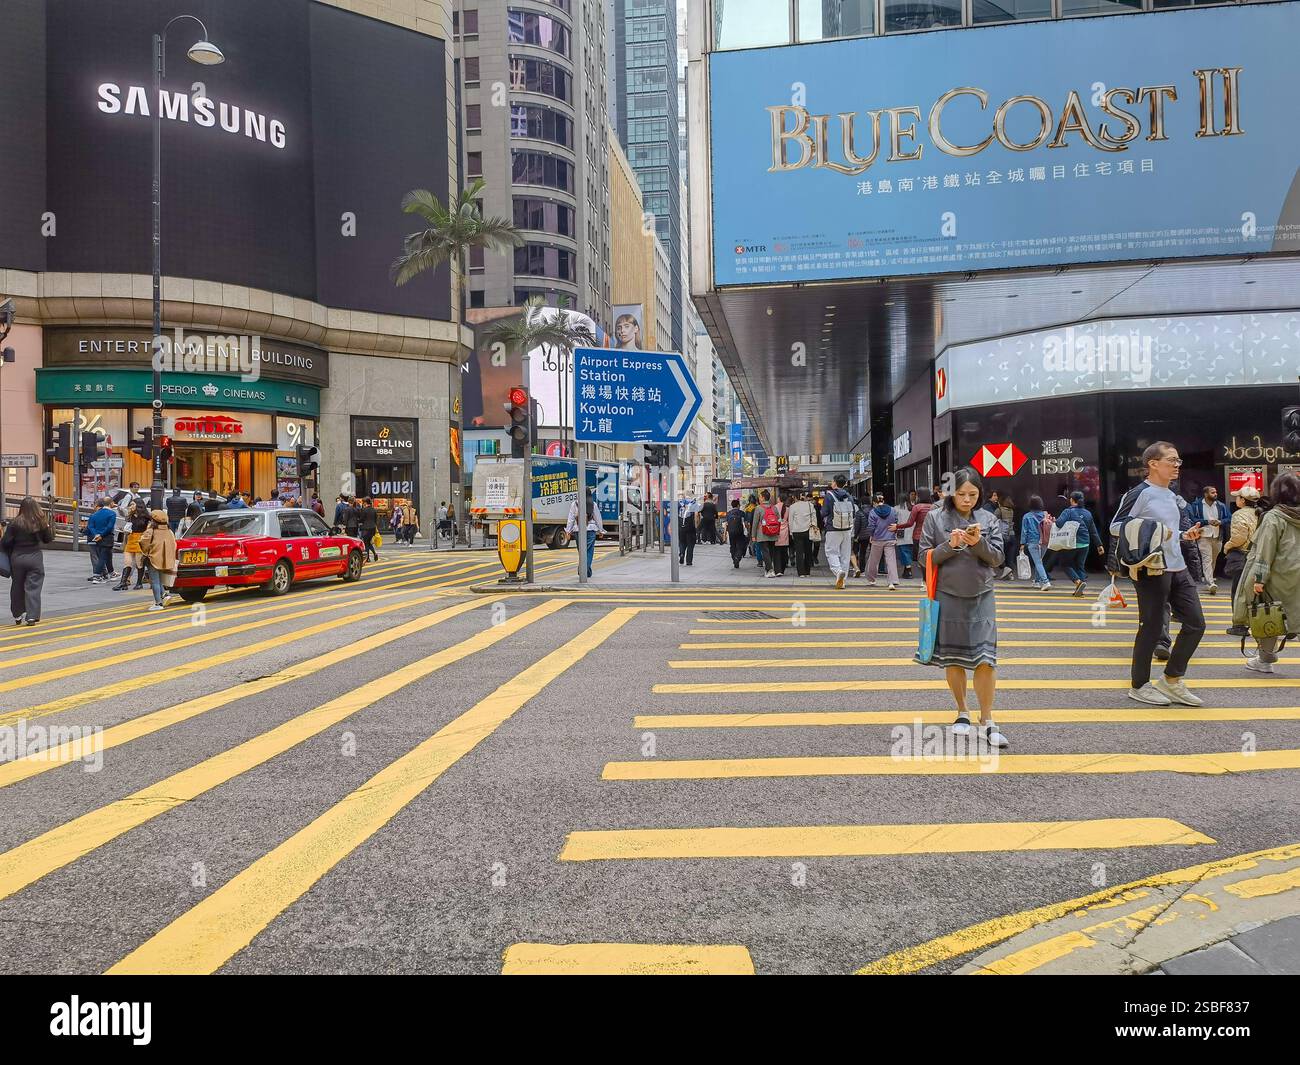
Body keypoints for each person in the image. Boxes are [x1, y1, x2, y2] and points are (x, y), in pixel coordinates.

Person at [1108, 441, 1206, 707]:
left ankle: (1171, 680)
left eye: (1178, 461)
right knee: (1151, 627)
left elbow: (1170, 531)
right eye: (1171, 460)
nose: (1177, 465)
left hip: (1177, 567)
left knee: (1196, 623)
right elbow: (1116, 526)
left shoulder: (1171, 494)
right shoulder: (1140, 493)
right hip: (1151, 567)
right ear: (1153, 464)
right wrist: (1154, 530)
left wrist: (1184, 535)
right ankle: (1139, 685)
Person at [915, 468, 1008, 749]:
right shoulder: (935, 517)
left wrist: (978, 543)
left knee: (985, 659)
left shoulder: (988, 519)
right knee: (953, 659)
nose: (967, 499)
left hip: (982, 595)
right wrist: (950, 545)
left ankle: (987, 719)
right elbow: (923, 557)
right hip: (948, 594)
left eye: (973, 494)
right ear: (950, 493)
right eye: (961, 494)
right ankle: (962, 711)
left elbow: (997, 558)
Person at [1233, 473, 1300, 674]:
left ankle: (1265, 659)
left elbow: (1264, 551)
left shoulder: (1274, 517)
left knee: (1270, 613)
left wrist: (1259, 579)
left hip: (1279, 575)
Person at [3, 497, 53, 626]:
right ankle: (31, 616)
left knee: (17, 586)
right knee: (33, 587)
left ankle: (17, 615)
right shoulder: (41, 522)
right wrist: (47, 527)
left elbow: (5, 542)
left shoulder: (14, 523)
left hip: (17, 558)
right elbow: (48, 539)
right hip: (35, 557)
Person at [1224, 485, 1262, 637]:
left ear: (1243, 500)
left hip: (1244, 556)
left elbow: (1239, 538)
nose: (1236, 499)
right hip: (1260, 556)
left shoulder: (1239, 515)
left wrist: (1227, 546)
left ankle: (1239, 625)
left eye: (1238, 497)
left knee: (1239, 592)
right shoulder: (1262, 513)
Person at [1054, 490, 1105, 597]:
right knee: (1080, 566)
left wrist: (1055, 520)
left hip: (1071, 543)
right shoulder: (1088, 513)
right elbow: (1093, 531)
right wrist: (1099, 545)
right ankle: (1080, 590)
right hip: (1085, 543)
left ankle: (1078, 582)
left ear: (1072, 500)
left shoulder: (1068, 512)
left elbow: (1059, 524)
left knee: (1065, 564)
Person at [1188, 484, 1229, 594]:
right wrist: (1207, 522)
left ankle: (1208, 580)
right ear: (1206, 494)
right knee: (1207, 559)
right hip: (1203, 535)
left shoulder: (1220, 505)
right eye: (1212, 492)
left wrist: (1220, 522)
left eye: (1216, 492)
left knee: (1213, 559)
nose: (1215, 494)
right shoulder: (1196, 505)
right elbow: (1193, 519)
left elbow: (1228, 518)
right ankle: (1210, 582)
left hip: (1217, 536)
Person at [821, 474, 857, 589]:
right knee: (845, 555)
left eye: (832, 481)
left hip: (833, 528)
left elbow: (824, 512)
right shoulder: (849, 496)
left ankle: (838, 571)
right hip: (847, 529)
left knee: (831, 552)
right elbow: (853, 513)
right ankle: (843, 581)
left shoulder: (829, 495)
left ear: (835, 483)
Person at [139, 509, 178, 611]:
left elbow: (143, 543)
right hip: (165, 559)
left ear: (153, 520)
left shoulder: (151, 531)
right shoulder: (169, 532)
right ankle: (164, 595)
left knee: (154, 581)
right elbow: (174, 545)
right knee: (159, 579)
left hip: (153, 559)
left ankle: (158, 603)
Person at [895, 490, 936, 579]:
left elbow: (908, 522)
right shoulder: (932, 507)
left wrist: (896, 527)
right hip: (925, 533)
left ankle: (908, 569)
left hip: (906, 532)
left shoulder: (899, 508)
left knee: (905, 551)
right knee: (924, 553)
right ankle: (927, 574)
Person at [865, 493, 900, 589]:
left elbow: (871, 526)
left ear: (874, 503)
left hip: (877, 539)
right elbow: (896, 522)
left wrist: (871, 535)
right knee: (891, 560)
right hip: (890, 538)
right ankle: (892, 581)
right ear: (883, 501)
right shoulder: (892, 510)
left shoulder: (873, 512)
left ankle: (871, 579)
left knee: (873, 560)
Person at [116, 499, 153, 591]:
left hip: (140, 540)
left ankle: (139, 583)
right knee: (127, 562)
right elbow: (128, 527)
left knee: (139, 563)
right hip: (130, 539)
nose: (131, 506)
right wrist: (125, 530)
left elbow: (150, 528)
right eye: (130, 505)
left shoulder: (146, 517)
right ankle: (123, 583)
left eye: (132, 504)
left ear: (138, 505)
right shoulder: (130, 516)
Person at [566, 489, 601, 577]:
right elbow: (598, 518)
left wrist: (568, 531)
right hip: (590, 530)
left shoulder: (574, 504)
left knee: (582, 552)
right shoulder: (593, 504)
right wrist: (601, 530)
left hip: (578, 530)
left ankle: (585, 571)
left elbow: (571, 518)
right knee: (588, 552)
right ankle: (583, 570)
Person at [1019, 496, 1052, 590]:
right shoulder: (1045, 515)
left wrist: (1022, 543)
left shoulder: (1027, 516)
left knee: (1038, 562)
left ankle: (1045, 582)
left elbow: (1024, 531)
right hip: (1045, 541)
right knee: (1039, 561)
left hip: (1033, 542)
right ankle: (1037, 582)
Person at [85, 497, 118, 583]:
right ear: (111, 503)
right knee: (103, 557)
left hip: (97, 538)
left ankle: (112, 573)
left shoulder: (94, 514)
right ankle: (97, 576)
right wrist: (102, 535)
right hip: (107, 537)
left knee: (107, 555)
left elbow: (90, 526)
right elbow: (109, 527)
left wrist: (96, 534)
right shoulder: (112, 514)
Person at [784, 491, 815, 578]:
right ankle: (807, 571)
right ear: (804, 497)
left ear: (794, 497)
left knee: (799, 552)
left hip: (797, 531)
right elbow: (814, 518)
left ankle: (801, 572)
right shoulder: (810, 505)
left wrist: (791, 532)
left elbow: (790, 521)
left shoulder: (792, 507)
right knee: (808, 551)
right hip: (808, 531)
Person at [894, 493, 914, 580]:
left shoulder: (896, 508)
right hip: (912, 532)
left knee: (904, 551)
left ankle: (908, 570)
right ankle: (906, 570)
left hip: (901, 532)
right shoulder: (913, 508)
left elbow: (895, 520)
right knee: (908, 551)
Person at [726, 499, 749, 569]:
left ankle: (734, 558)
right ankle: (737, 558)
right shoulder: (742, 513)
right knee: (740, 546)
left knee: (733, 546)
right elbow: (746, 524)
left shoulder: (729, 513)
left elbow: (726, 524)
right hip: (740, 532)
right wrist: (748, 531)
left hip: (731, 532)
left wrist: (725, 534)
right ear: (738, 505)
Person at [770, 494, 790, 576]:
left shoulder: (773, 507)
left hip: (776, 531)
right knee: (784, 552)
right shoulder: (788, 509)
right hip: (785, 532)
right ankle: (782, 569)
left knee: (776, 552)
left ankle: (777, 570)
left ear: (779, 498)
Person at [852, 497, 872, 577]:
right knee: (872, 553)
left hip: (861, 535)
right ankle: (871, 569)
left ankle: (861, 569)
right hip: (871, 535)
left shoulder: (859, 512)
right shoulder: (873, 511)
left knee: (861, 553)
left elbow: (857, 525)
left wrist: (855, 535)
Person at [678, 495, 699, 566]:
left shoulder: (680, 503)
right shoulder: (694, 503)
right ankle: (689, 561)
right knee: (690, 543)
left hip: (681, 526)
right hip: (690, 526)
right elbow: (696, 515)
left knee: (682, 541)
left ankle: (681, 553)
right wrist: (696, 526)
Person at [358, 497, 380, 562]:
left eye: (363, 502)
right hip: (372, 528)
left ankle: (367, 558)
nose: (363, 504)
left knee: (366, 543)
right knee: (368, 542)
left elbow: (361, 519)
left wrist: (358, 521)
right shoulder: (374, 510)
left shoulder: (364, 510)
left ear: (365, 503)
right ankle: (374, 553)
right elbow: (376, 519)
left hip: (366, 528)